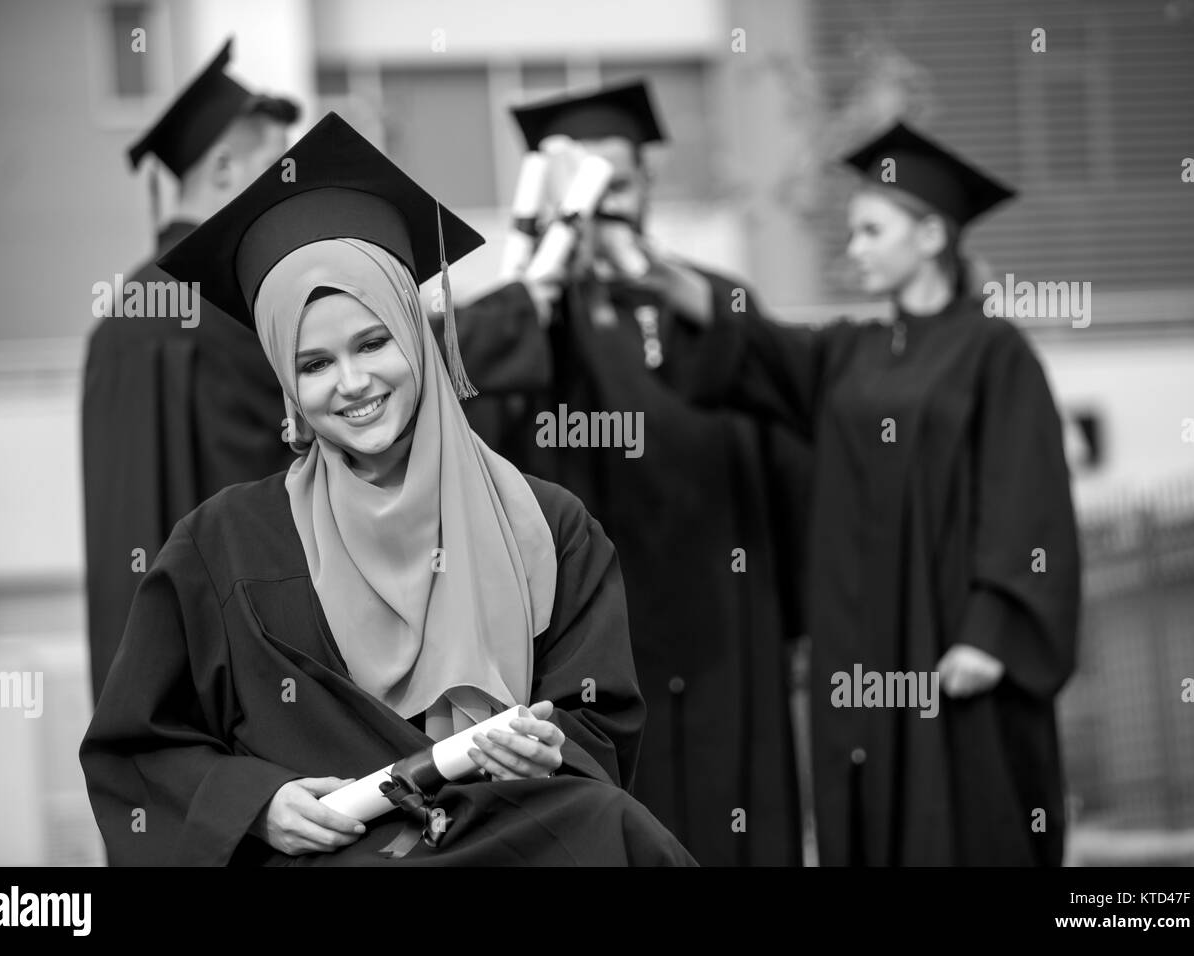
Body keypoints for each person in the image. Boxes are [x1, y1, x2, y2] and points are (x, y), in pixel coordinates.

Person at [79, 112, 695, 867]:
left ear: (417, 333)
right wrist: (256, 805)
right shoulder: (224, 544)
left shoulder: (548, 524)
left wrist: (551, 752)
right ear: (284, 383)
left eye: (374, 342)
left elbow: (597, 723)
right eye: (314, 364)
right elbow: (141, 747)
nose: (354, 384)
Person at [441, 79, 806, 866]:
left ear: (646, 190)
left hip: (719, 622)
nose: (607, 202)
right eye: (588, 184)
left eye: (622, 181)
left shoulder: (702, 304)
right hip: (591, 633)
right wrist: (543, 281)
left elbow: (784, 443)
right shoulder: (524, 318)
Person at [700, 122, 1081, 865]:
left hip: (955, 651)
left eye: (872, 231)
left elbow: (1026, 493)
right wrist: (649, 270)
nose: (856, 251)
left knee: (968, 819)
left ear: (933, 233)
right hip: (867, 654)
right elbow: (758, 351)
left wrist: (992, 628)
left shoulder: (993, 350)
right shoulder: (850, 352)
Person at [82, 39, 300, 704]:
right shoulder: (230, 299)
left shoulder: (123, 312)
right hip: (247, 671)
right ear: (229, 168)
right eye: (278, 167)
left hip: (151, 682)